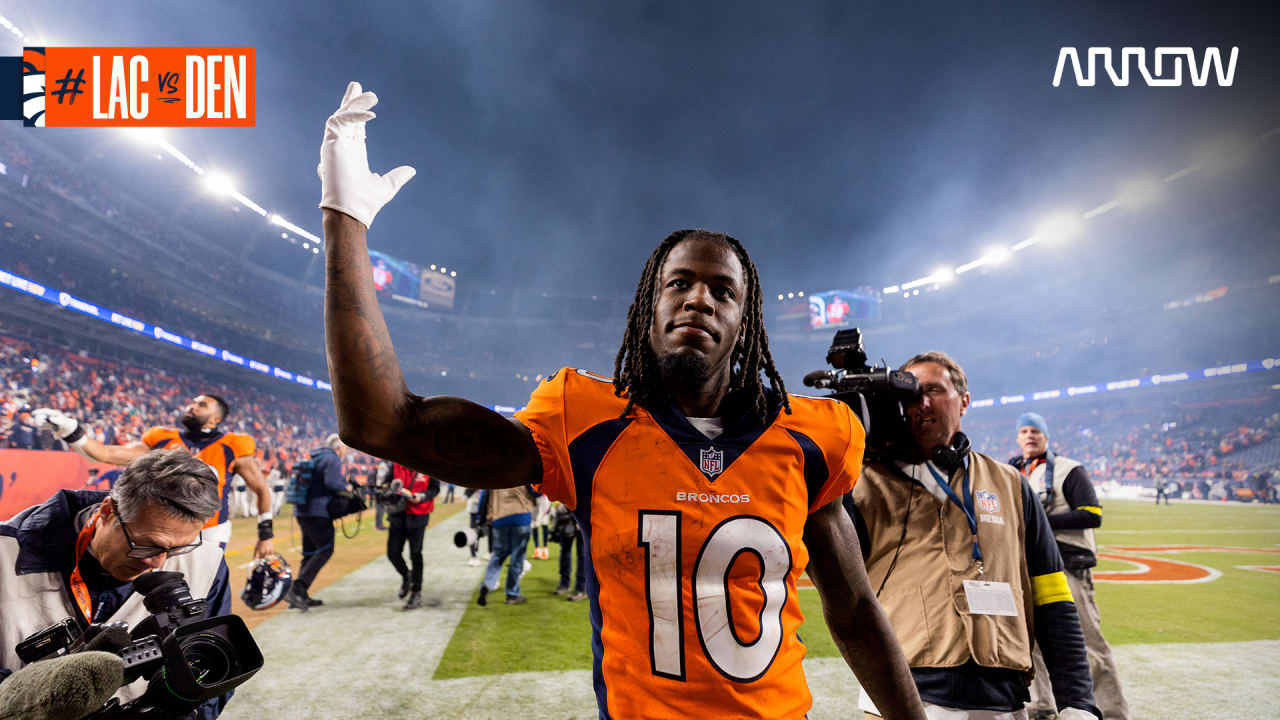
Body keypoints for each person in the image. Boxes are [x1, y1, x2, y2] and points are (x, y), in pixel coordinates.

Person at [317, 80, 924, 720]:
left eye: (724, 291)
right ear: (649, 307)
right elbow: (381, 424)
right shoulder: (585, 421)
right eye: (680, 283)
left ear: (746, 322)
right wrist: (346, 222)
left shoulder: (809, 437)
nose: (699, 299)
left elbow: (855, 611)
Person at [846, 352, 1100, 720]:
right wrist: (849, 452)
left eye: (934, 389)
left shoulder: (1011, 484)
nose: (923, 403)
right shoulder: (862, 485)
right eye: (912, 394)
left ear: (964, 400)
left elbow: (1052, 594)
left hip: (1002, 700)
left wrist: (1076, 699)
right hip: (900, 698)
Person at [0, 449, 234, 719]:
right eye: (145, 545)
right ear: (108, 511)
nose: (158, 562)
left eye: (178, 548)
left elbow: (215, 678)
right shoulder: (5, 554)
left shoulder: (207, 562)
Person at [35, 394, 275, 558]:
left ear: (216, 418)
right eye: (192, 402)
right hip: (162, 529)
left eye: (202, 404)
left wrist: (266, 536)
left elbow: (262, 489)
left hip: (209, 530)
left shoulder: (233, 444)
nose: (192, 406)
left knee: (200, 590)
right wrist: (71, 431)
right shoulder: (162, 438)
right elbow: (107, 453)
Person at [1010, 413, 1129, 720]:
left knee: (1087, 646)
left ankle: (1111, 713)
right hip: (1024, 568)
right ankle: (1042, 707)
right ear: (1018, 437)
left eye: (1035, 430)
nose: (1029, 435)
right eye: (1024, 431)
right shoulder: (1010, 470)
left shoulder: (1069, 469)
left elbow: (1092, 513)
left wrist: (1039, 522)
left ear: (1046, 436)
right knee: (1030, 645)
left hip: (1068, 565)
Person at [286, 433, 349, 610]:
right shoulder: (332, 459)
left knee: (309, 551)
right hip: (319, 511)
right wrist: (346, 488)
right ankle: (298, 589)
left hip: (302, 510)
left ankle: (299, 595)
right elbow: (333, 483)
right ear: (339, 447)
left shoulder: (314, 456)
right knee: (325, 549)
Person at [385, 462, 440, 610]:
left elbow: (435, 488)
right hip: (398, 514)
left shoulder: (429, 464)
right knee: (392, 552)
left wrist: (422, 496)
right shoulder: (396, 464)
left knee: (415, 554)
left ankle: (416, 591)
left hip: (418, 515)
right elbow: (385, 484)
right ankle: (406, 575)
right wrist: (391, 486)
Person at [474, 486, 536, 606]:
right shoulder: (522, 469)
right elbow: (536, 492)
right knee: (517, 557)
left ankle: (487, 584)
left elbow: (484, 495)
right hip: (520, 517)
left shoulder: (493, 473)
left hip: (499, 518)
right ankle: (512, 594)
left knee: (498, 555)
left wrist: (480, 520)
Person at [550, 502, 586, 601]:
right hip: (566, 516)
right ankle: (564, 583)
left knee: (583, 555)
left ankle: (581, 588)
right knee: (565, 553)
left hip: (583, 517)